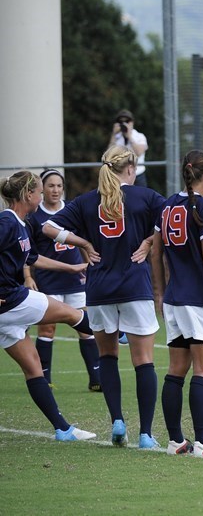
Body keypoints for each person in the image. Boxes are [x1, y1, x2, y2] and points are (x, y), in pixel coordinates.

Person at [42, 145, 166, 447]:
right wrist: (150, 242)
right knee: (144, 361)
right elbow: (173, 220)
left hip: (98, 289)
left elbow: (47, 226)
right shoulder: (145, 196)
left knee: (107, 356)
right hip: (135, 287)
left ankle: (117, 421)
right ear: (131, 168)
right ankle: (146, 435)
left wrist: (82, 242)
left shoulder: (86, 201)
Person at [138, 150, 203, 456]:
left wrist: (160, 291)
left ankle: (176, 441)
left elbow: (155, 253)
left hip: (174, 299)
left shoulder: (167, 206)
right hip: (201, 300)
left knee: (176, 369)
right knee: (202, 369)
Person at [1, 170, 97, 441]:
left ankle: (63, 429)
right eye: (40, 192)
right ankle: (116, 332)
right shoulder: (6, 222)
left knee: (33, 368)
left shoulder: (21, 224)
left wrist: (70, 267)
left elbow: (33, 258)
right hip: (11, 300)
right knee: (71, 314)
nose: (43, 196)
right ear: (27, 195)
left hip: (8, 309)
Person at [25, 169, 101, 392]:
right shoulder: (34, 216)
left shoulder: (71, 210)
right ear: (42, 189)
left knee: (86, 327)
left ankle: (96, 378)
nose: (55, 190)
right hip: (49, 280)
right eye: (50, 186)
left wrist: (90, 266)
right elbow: (27, 252)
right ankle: (44, 379)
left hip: (76, 278)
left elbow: (84, 241)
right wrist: (28, 276)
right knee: (47, 329)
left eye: (59, 186)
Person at [108, 109, 149, 189]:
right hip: (120, 176)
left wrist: (129, 136)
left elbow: (139, 152)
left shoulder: (139, 136)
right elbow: (108, 156)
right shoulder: (116, 138)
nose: (124, 124)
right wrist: (113, 135)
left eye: (127, 121)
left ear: (132, 122)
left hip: (138, 175)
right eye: (121, 122)